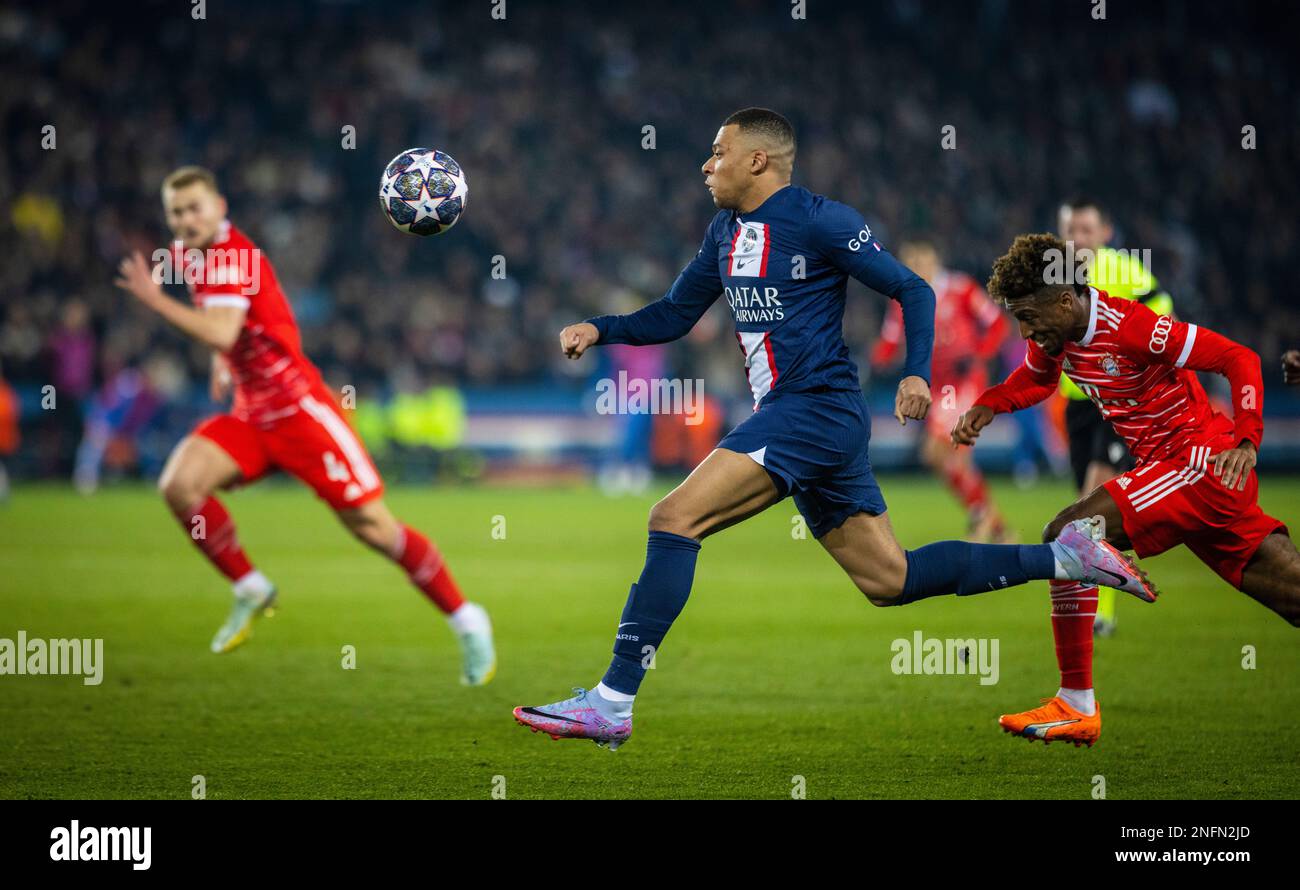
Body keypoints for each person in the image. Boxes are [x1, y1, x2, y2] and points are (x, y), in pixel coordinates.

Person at [512, 110, 1154, 750]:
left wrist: (915, 375)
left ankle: (612, 703)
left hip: (812, 409)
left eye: (717, 153)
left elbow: (913, 289)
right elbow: (676, 314)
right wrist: (601, 327)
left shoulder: (822, 221)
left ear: (757, 161)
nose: (706, 165)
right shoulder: (723, 231)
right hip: (808, 422)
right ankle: (1069, 557)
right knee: (890, 580)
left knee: (673, 519)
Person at [113, 166, 495, 684]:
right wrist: (222, 363)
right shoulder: (187, 254)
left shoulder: (234, 256)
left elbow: (224, 327)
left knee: (376, 530)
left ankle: (466, 619)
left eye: (194, 207)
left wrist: (157, 302)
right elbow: (236, 327)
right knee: (180, 486)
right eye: (176, 211)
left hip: (301, 413)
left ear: (220, 207)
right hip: (252, 415)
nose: (185, 219)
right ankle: (249, 587)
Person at [952, 233, 1299, 747]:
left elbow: (1239, 358)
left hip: (1199, 464)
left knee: (1067, 533)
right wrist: (991, 403)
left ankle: (1076, 702)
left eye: (1028, 316)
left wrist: (1248, 440)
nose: (1025, 330)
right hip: (1178, 477)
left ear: (1065, 300)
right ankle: (1101, 575)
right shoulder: (1059, 334)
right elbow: (1036, 379)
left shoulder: (1133, 327)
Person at [1057, 198, 1175, 636]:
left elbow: (1163, 312)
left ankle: (1099, 610)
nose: (1078, 238)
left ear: (1106, 233)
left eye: (1086, 230)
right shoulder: (1057, 273)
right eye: (1072, 230)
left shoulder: (1125, 270)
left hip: (1115, 403)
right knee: (1082, 508)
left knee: (1092, 502)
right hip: (1076, 406)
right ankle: (1103, 591)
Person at [871, 241, 1010, 541]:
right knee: (948, 458)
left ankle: (983, 519)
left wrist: (979, 354)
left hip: (963, 380)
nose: (917, 266)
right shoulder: (902, 299)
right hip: (936, 386)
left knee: (939, 450)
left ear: (935, 260)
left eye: (922, 259)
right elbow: (889, 342)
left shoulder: (961, 289)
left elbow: (997, 323)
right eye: (911, 261)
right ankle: (996, 526)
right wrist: (869, 362)